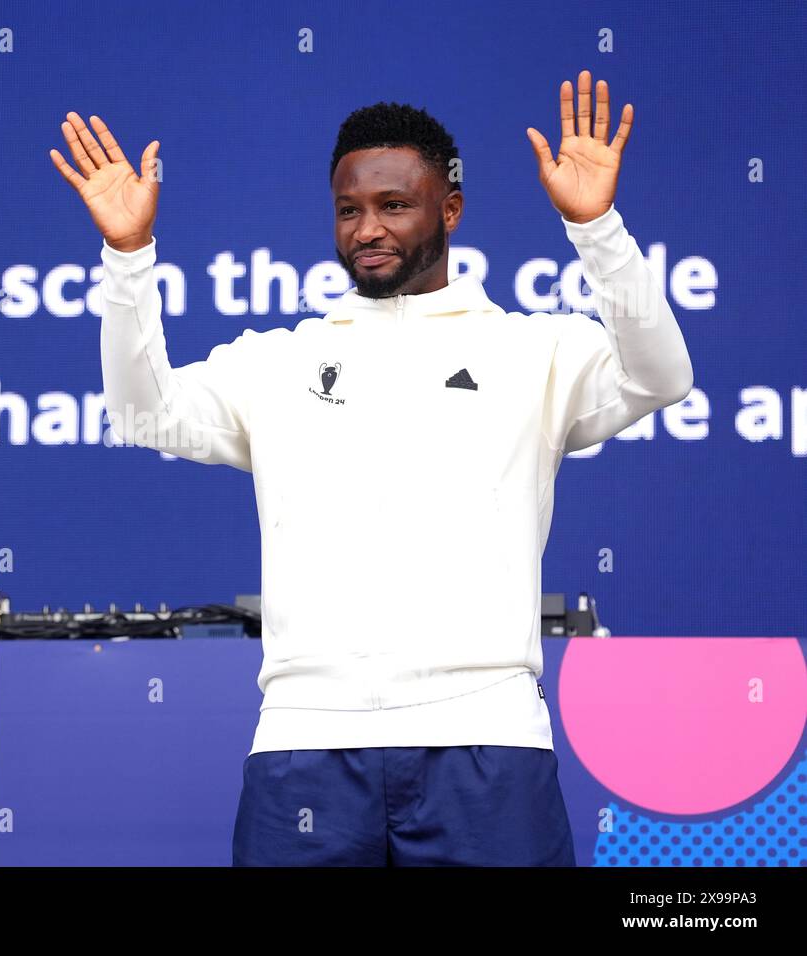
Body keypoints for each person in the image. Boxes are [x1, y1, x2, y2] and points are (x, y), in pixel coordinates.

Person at [50, 70, 693, 866]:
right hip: (305, 748)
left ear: (449, 210)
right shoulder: (279, 361)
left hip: (486, 744)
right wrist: (127, 254)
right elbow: (142, 414)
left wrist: (598, 230)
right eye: (349, 210)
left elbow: (661, 377)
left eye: (395, 205)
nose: (368, 230)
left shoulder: (536, 351)